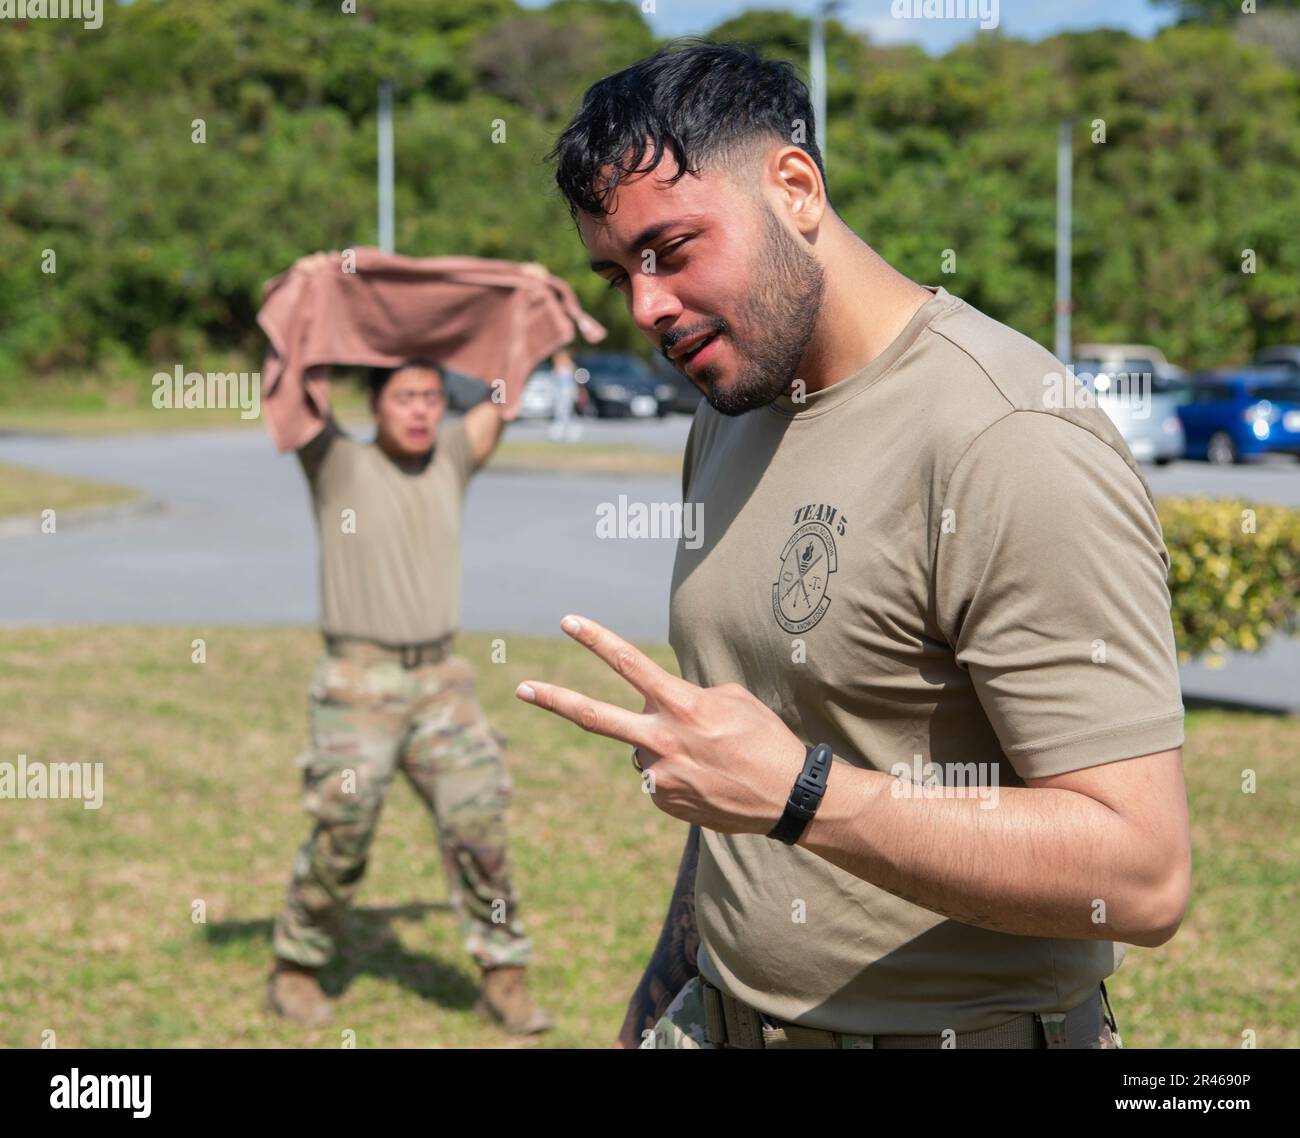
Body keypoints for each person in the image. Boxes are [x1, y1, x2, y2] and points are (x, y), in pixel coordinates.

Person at [515, 39, 1191, 1049]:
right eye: (617, 273)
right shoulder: (733, 402)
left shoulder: (1006, 439)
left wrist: (800, 795)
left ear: (795, 187)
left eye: (671, 249)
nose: (644, 307)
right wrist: (661, 1005)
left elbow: (1141, 875)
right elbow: (739, 771)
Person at [266, 358, 553, 1035]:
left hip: (441, 682)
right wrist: (308, 305)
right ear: (374, 405)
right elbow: (285, 389)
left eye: (431, 396)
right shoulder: (337, 461)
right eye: (405, 398)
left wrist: (529, 316)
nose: (422, 410)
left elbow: (504, 391)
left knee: (478, 824)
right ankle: (295, 967)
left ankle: (504, 978)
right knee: (345, 831)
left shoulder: (452, 457)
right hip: (356, 682)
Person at [548, 348, 581, 442]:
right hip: (559, 393)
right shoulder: (557, 367)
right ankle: (558, 432)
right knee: (560, 413)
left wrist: (575, 393)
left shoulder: (570, 366)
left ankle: (571, 432)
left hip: (567, 393)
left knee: (566, 413)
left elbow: (574, 382)